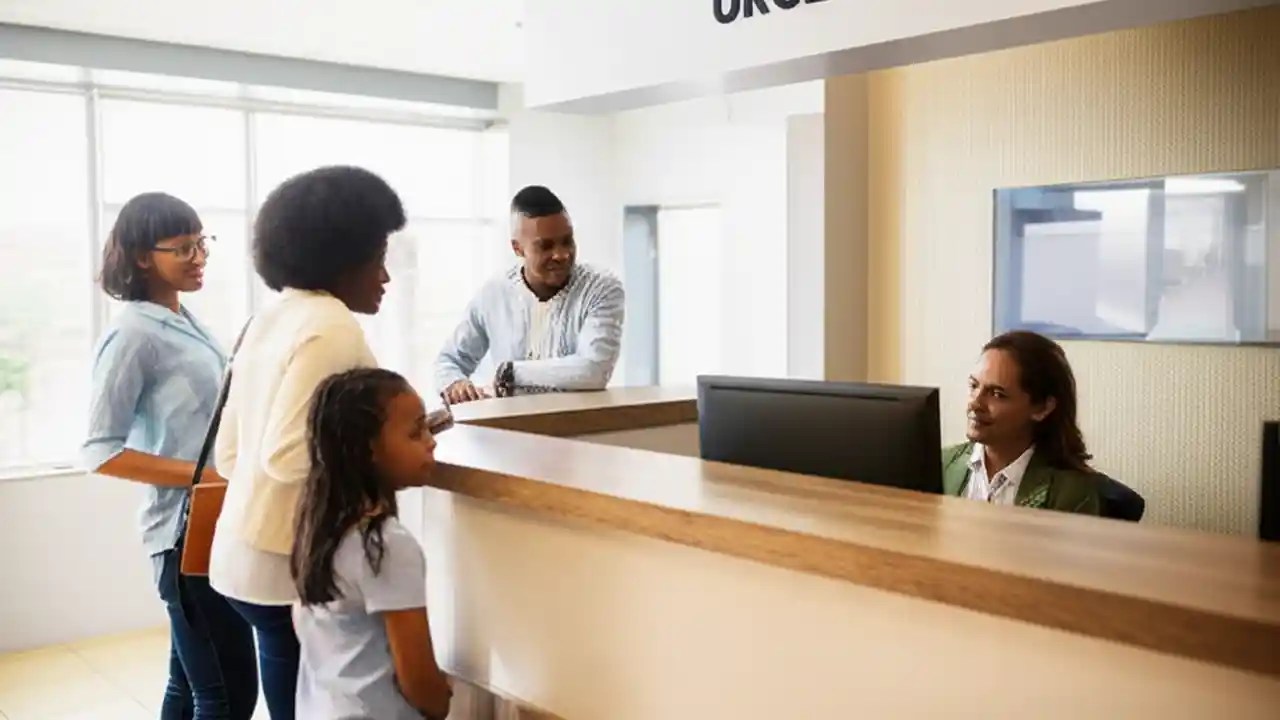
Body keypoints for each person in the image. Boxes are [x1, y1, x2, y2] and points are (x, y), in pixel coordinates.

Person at [210, 166, 405, 718]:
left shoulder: (271, 317)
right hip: (282, 568)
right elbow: (290, 454)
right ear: (342, 260)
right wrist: (388, 447)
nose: (385, 277)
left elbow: (231, 454)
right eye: (378, 258)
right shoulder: (331, 324)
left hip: (239, 555)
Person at [83, 192, 257, 719]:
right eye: (183, 248)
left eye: (202, 243)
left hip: (212, 522)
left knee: (190, 691)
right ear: (142, 257)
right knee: (228, 697)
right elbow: (100, 451)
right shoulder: (132, 334)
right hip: (182, 538)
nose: (199, 256)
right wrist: (202, 475)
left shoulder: (185, 319)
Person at [291, 369, 453, 720]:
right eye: (416, 432)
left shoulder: (320, 530)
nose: (431, 440)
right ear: (369, 449)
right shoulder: (387, 547)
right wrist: (441, 700)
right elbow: (418, 680)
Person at [436, 185, 624, 403]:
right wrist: (455, 383)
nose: (561, 255)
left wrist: (510, 373)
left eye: (567, 241)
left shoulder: (601, 288)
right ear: (517, 249)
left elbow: (593, 369)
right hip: (507, 431)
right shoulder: (494, 294)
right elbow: (448, 360)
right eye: (545, 246)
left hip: (575, 429)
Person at [943, 330, 1102, 515]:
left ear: (1042, 408)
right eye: (974, 386)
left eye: (997, 394)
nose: (975, 403)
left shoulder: (1073, 493)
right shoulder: (941, 465)